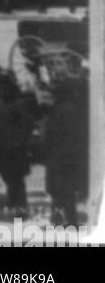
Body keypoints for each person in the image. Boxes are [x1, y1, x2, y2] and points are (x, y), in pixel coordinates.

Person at [43, 78, 85, 225]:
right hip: (60, 154)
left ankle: (68, 220)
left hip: (63, 156)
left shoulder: (66, 108)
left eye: (55, 93)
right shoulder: (64, 107)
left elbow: (70, 134)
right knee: (60, 188)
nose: (53, 96)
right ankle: (61, 218)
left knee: (64, 189)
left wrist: (62, 153)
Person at [0, 75, 32, 216]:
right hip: (2, 147)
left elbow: (27, 125)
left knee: (17, 178)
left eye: (4, 88)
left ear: (10, 88)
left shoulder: (19, 103)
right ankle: (12, 200)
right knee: (7, 175)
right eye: (0, 88)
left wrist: (19, 142)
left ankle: (21, 208)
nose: (2, 91)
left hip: (15, 149)